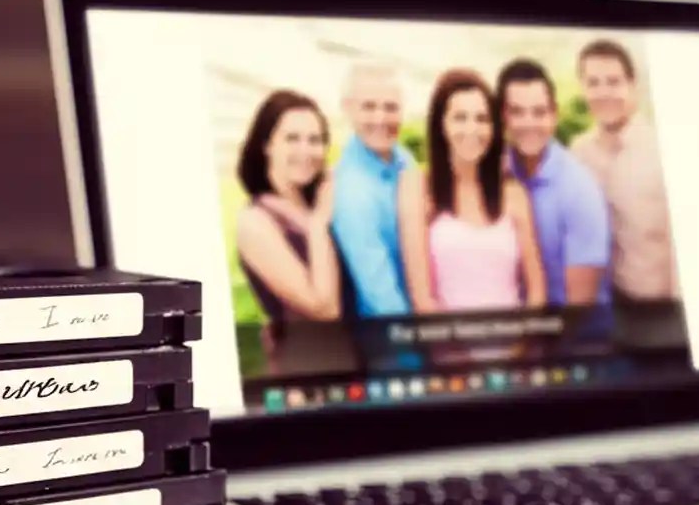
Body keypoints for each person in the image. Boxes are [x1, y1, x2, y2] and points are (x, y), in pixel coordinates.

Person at [398, 69, 546, 313]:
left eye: (481, 119)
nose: (472, 129)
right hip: (449, 343)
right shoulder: (416, 186)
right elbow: (423, 300)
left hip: (515, 342)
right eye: (460, 117)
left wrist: (520, 347)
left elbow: (537, 292)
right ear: (441, 124)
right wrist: (460, 349)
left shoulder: (513, 193)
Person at [496, 59, 612, 307]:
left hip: (576, 335)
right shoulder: (500, 172)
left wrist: (532, 346)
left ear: (554, 114)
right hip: (520, 324)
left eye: (539, 112)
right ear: (503, 116)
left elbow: (579, 305)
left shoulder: (580, 190)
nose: (528, 123)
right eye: (517, 112)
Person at [234, 90, 341, 357]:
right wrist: (318, 225)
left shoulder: (319, 201)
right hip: (310, 367)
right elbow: (324, 308)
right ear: (267, 144)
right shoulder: (256, 221)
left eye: (315, 140)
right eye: (292, 139)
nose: (305, 151)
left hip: (354, 361)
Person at [571, 39, 677, 301]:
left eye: (613, 81)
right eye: (593, 83)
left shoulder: (663, 151)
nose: (603, 92)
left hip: (657, 303)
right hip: (603, 301)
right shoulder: (580, 151)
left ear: (633, 85)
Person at [330, 62, 414, 317]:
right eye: (369, 106)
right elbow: (382, 299)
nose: (381, 119)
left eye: (391, 107)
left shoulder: (401, 158)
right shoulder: (351, 192)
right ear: (348, 108)